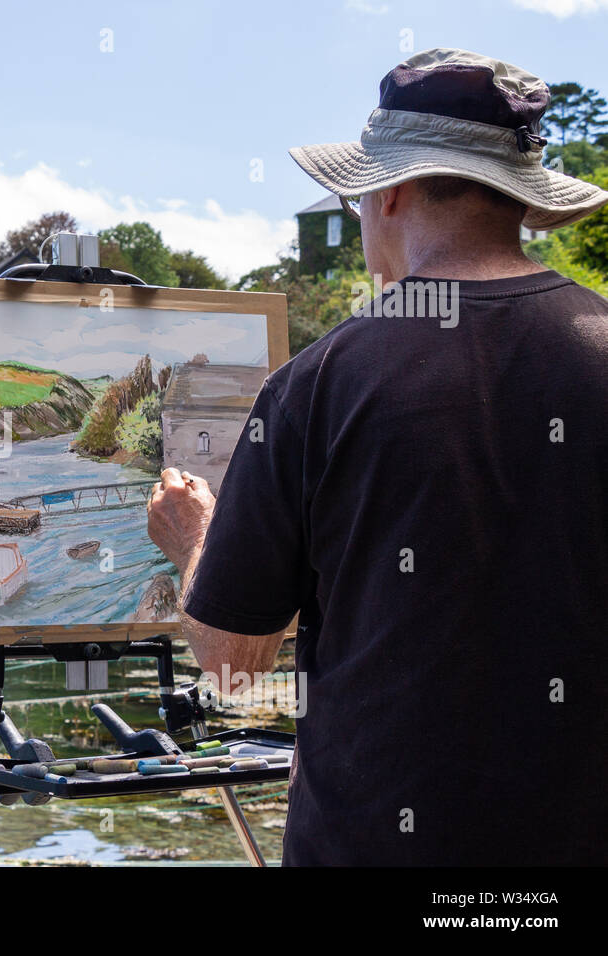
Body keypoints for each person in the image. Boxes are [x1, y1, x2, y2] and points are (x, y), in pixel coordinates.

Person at [146, 48, 608, 865]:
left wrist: (194, 540)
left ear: (388, 191)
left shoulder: (319, 384)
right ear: (520, 202)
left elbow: (231, 663)